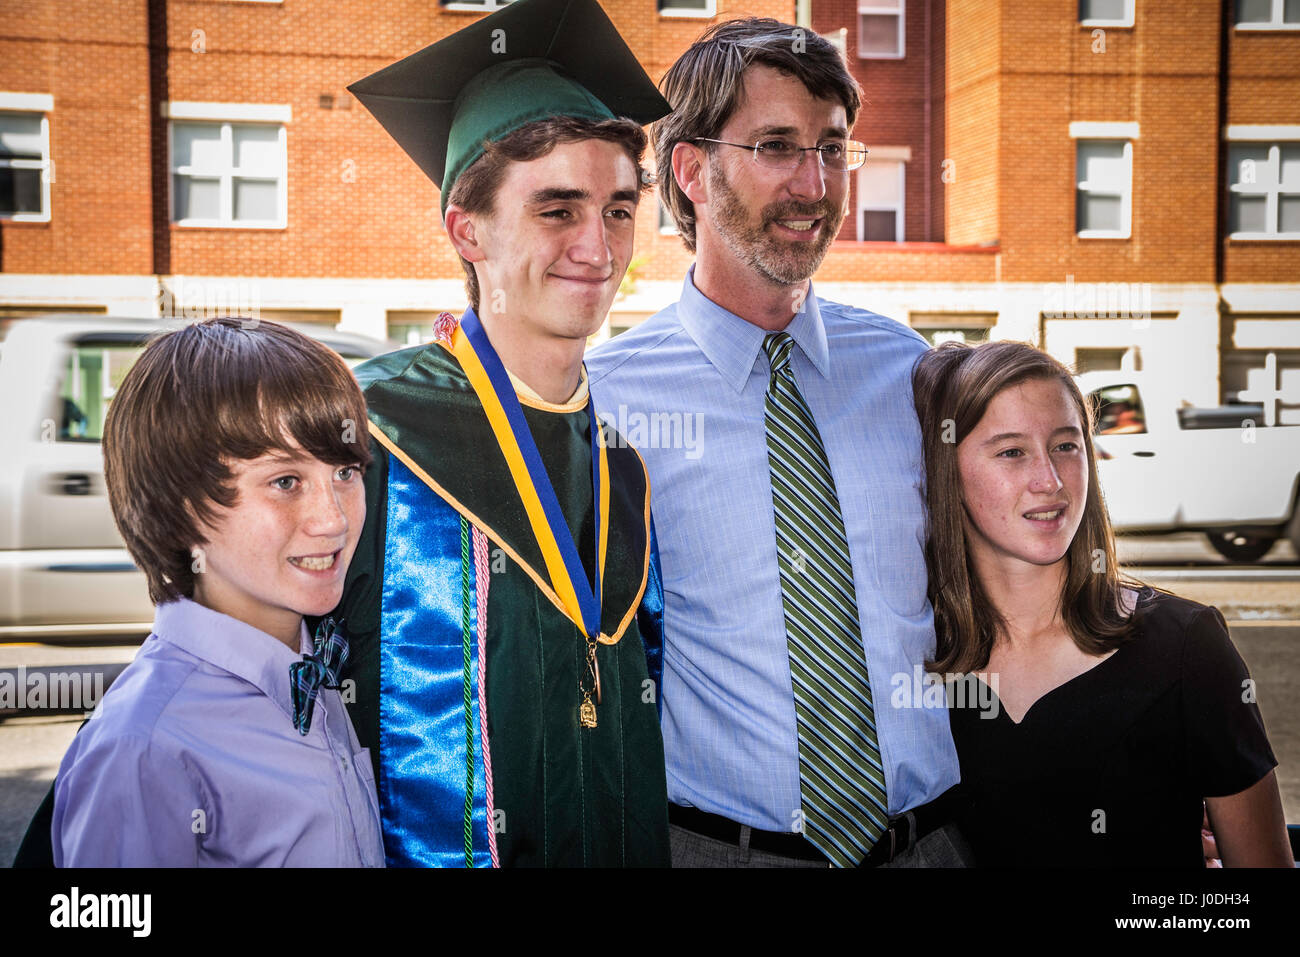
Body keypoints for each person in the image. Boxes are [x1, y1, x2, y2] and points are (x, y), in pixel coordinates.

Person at [586, 18, 966, 867]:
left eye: (832, 149)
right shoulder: (607, 401)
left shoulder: (908, 371)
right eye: (777, 147)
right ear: (691, 170)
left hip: (930, 845)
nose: (815, 184)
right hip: (721, 851)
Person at [336, 0, 672, 866]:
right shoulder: (367, 434)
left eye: (620, 210)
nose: (599, 247)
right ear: (466, 229)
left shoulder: (623, 469)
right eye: (558, 210)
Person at [911, 340, 1292, 867]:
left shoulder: (1185, 644)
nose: (1050, 480)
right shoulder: (916, 654)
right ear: (946, 469)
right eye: (1012, 452)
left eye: (1066, 445)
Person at [51, 317, 384, 867]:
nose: (334, 519)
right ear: (179, 506)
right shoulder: (145, 746)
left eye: (346, 473)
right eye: (285, 481)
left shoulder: (314, 669)